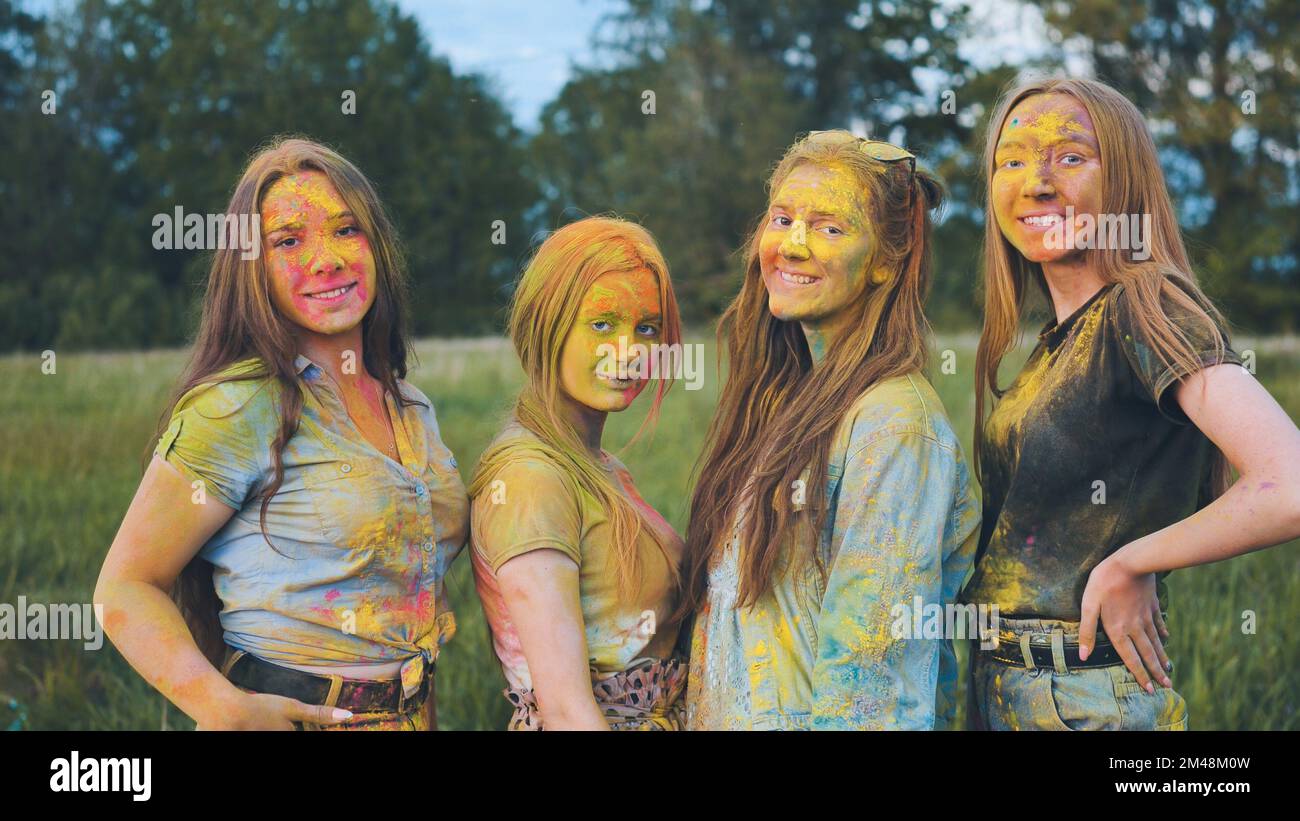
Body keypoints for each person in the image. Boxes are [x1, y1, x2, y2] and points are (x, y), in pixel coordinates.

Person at [95, 137, 468, 730]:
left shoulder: (411, 405)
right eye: (289, 241)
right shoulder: (237, 404)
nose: (326, 259)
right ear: (253, 266)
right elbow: (125, 587)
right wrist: (223, 709)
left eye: (347, 230)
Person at [964, 77, 1300, 730]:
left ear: (1124, 178)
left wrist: (1135, 559)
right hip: (1004, 687)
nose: (1035, 181)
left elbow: (1290, 483)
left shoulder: (1142, 307)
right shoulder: (1057, 339)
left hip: (1080, 698)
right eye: (1012, 160)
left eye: (1070, 156)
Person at [681, 130, 981, 730]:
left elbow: (874, 680)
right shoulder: (787, 403)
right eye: (783, 218)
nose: (792, 245)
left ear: (885, 263)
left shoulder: (894, 427)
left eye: (830, 228)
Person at [468, 216, 688, 730]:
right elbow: (567, 712)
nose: (629, 351)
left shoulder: (599, 466)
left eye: (647, 328)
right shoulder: (530, 477)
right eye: (602, 324)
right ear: (548, 324)